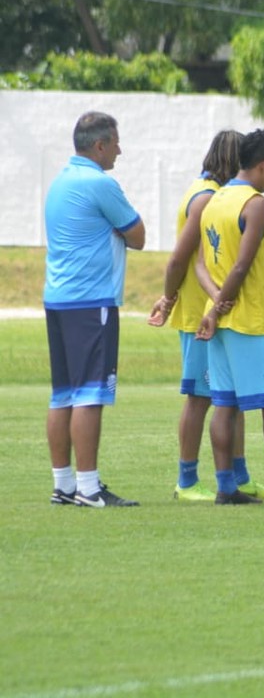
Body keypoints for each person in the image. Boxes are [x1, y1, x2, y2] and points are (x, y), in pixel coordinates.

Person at [148, 130, 264, 502]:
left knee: (228, 398)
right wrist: (169, 299)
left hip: (213, 310)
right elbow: (180, 258)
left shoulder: (211, 194)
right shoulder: (206, 198)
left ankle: (238, 477)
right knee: (201, 397)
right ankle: (186, 480)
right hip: (199, 313)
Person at [44, 111, 145, 507]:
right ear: (100, 145)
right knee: (89, 394)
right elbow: (138, 235)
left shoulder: (60, 181)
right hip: (91, 300)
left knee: (62, 395)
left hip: (59, 299)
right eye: (115, 143)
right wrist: (115, 228)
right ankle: (88, 487)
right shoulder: (101, 183)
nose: (120, 150)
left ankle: (64, 484)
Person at [195, 129, 264, 505]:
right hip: (251, 319)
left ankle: (225, 486)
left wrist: (214, 307)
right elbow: (241, 266)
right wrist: (223, 304)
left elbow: (201, 264)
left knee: (225, 404)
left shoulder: (214, 199)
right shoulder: (255, 204)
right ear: (263, 165)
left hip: (219, 320)